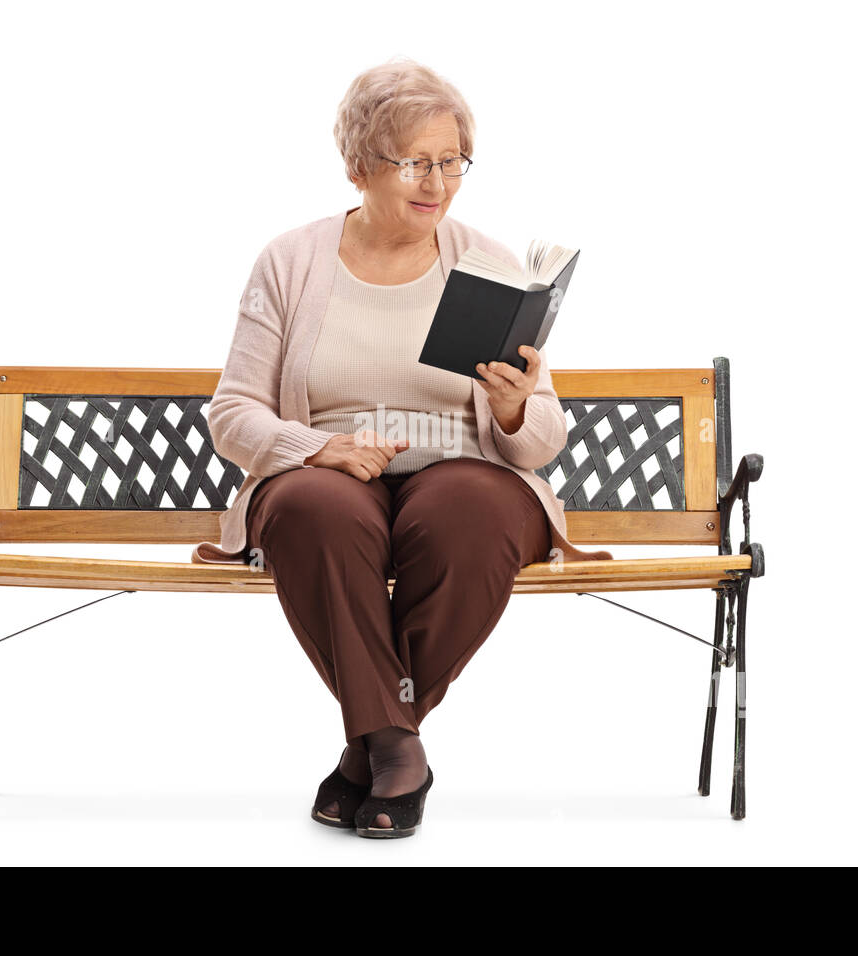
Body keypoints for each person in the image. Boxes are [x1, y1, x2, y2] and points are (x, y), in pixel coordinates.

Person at [193, 57, 613, 838]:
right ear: (359, 165)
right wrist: (314, 448)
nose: (438, 183)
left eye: (453, 162)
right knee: (317, 511)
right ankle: (397, 749)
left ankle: (376, 747)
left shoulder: (483, 261)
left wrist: (517, 410)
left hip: (461, 472)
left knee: (474, 512)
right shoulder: (291, 262)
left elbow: (544, 442)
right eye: (416, 162)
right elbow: (232, 413)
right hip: (333, 471)